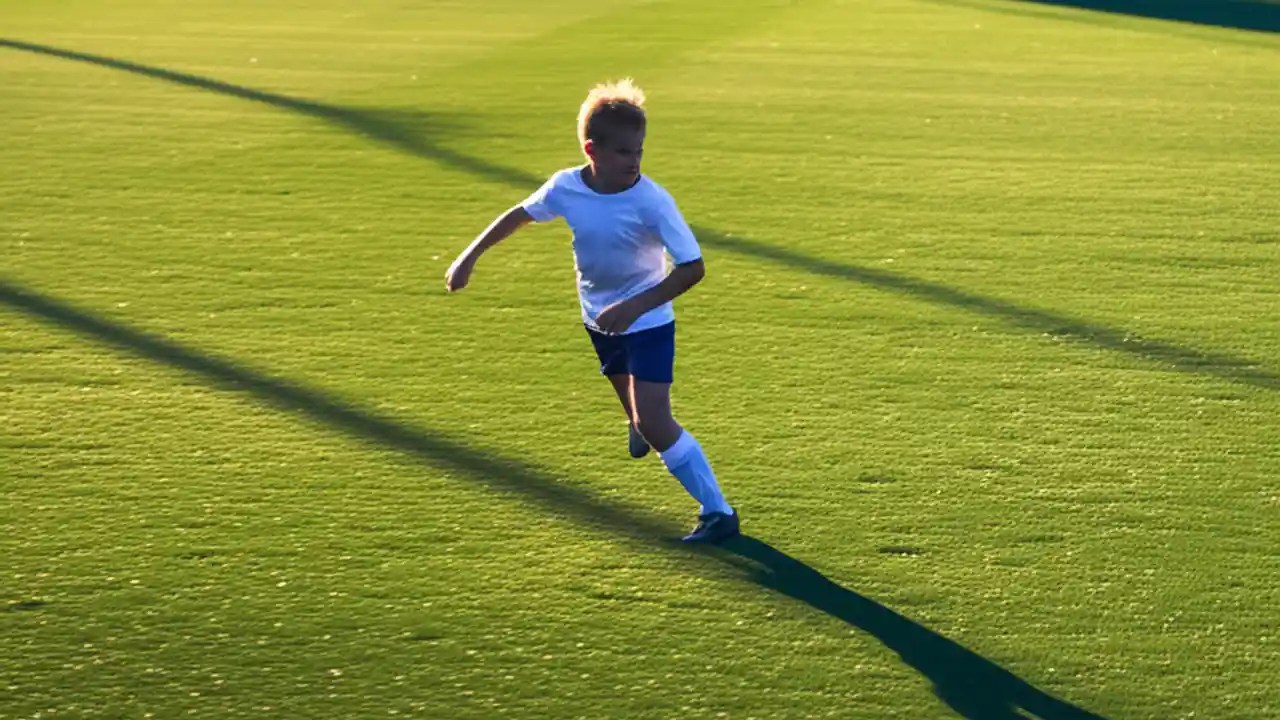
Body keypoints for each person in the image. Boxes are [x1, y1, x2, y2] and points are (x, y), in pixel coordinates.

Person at [444, 78, 738, 544]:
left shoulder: (652, 201)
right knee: (636, 412)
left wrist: (636, 306)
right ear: (592, 151)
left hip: (648, 321)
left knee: (656, 421)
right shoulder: (566, 187)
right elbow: (518, 214)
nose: (635, 161)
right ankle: (637, 425)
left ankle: (718, 512)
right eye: (624, 152)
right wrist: (468, 257)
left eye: (639, 150)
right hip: (599, 318)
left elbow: (693, 268)